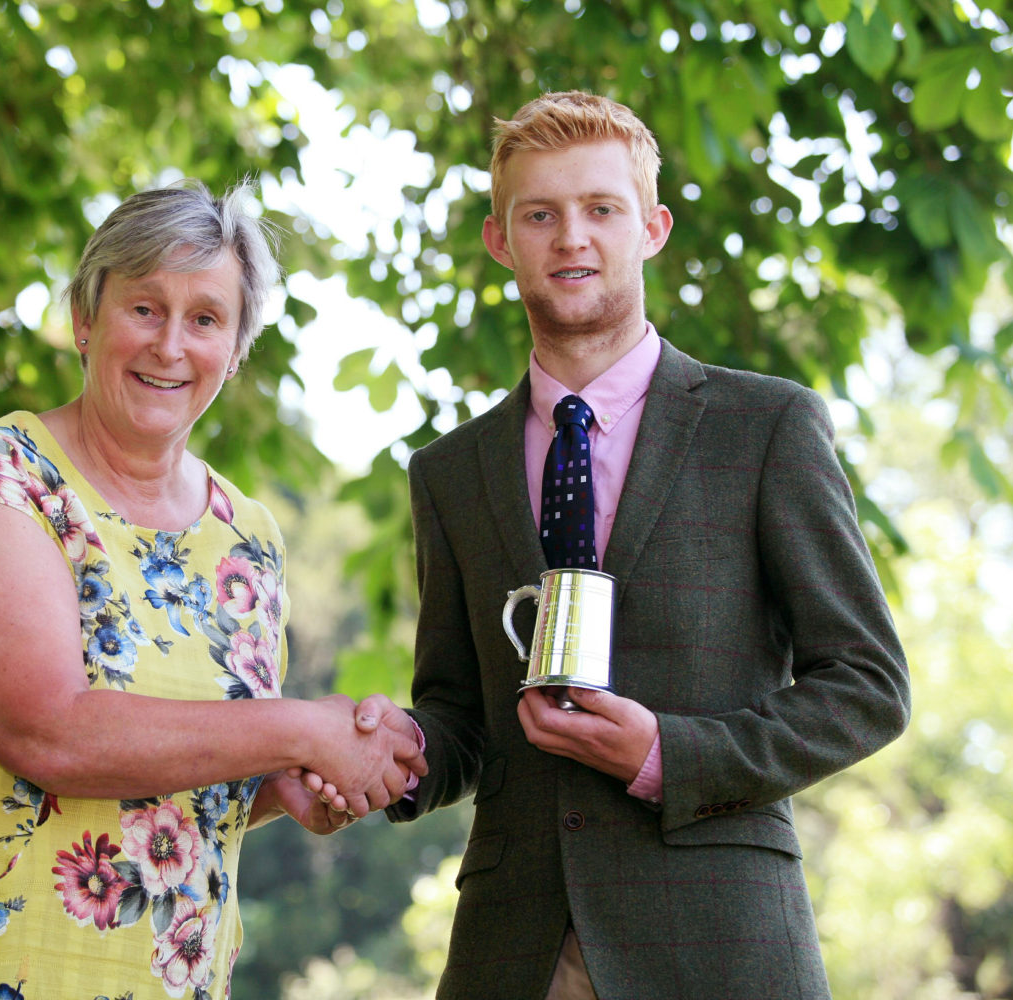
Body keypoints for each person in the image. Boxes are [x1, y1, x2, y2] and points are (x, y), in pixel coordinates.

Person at [307, 91, 910, 998]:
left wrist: (670, 754)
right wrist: (392, 756)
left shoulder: (767, 427)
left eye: (601, 210)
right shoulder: (449, 472)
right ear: (500, 241)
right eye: (540, 215)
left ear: (653, 229)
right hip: (511, 953)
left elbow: (869, 687)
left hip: (720, 946)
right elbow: (463, 720)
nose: (571, 238)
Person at [0, 181, 424, 1000]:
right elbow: (47, 734)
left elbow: (189, 774)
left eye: (206, 319)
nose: (171, 345)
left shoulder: (249, 539)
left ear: (236, 346)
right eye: (145, 308)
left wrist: (301, 781)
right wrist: (300, 727)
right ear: (85, 317)